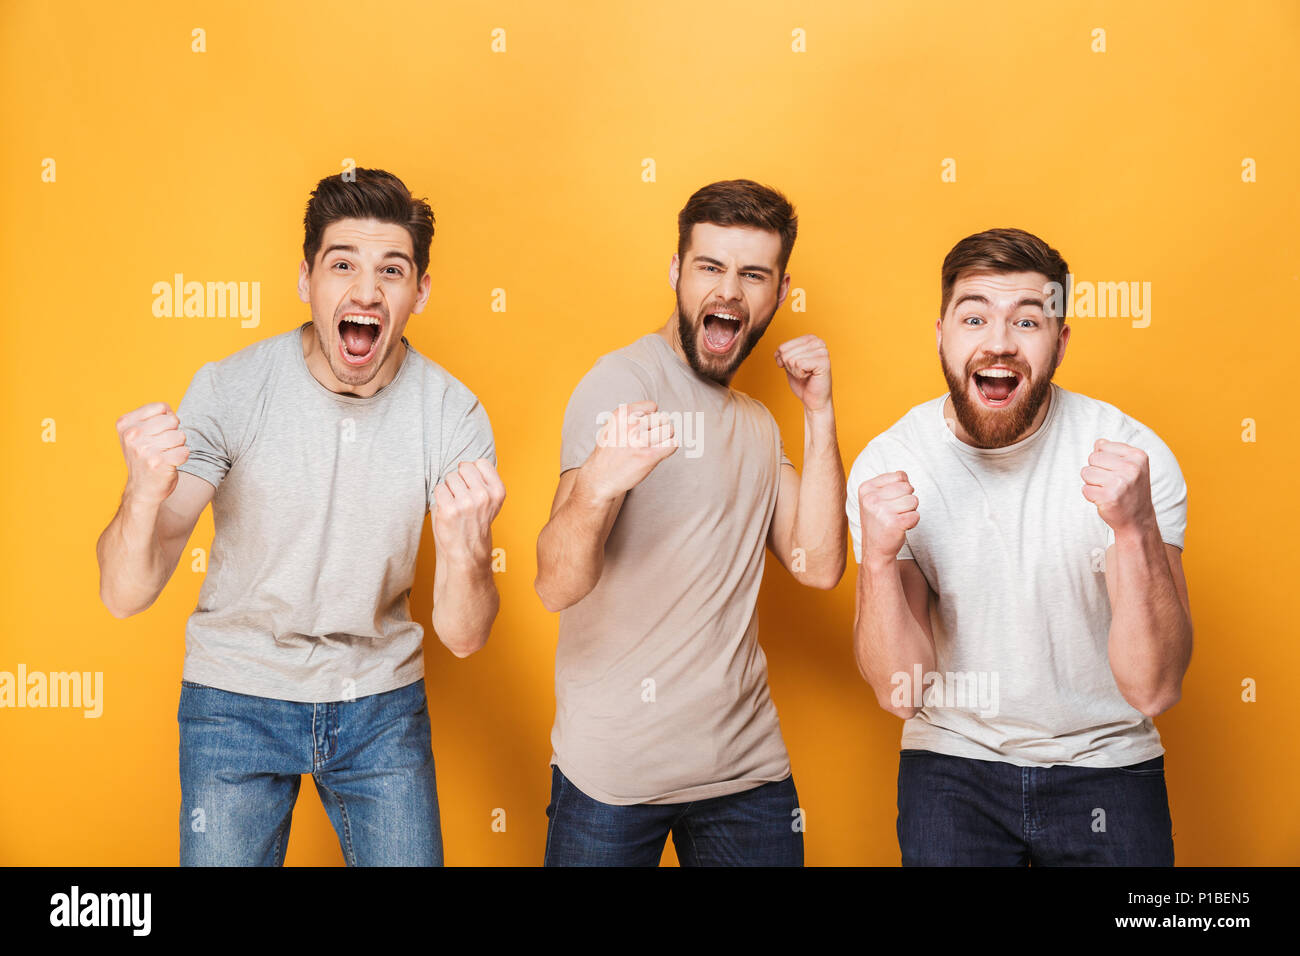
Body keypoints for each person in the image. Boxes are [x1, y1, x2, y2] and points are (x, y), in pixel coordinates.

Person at [95, 168, 505, 866]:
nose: (366, 291)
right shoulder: (230, 387)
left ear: (421, 292)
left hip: (380, 706)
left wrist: (468, 551)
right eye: (342, 264)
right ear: (306, 279)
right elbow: (124, 594)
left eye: (392, 270)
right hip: (235, 698)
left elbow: (465, 639)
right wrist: (140, 495)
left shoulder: (452, 414)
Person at [847, 227, 1192, 866]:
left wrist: (1136, 529)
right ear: (942, 334)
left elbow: (1153, 687)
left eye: (1026, 321)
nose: (999, 342)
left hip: (1106, 763)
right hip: (953, 766)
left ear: (1060, 342)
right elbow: (900, 691)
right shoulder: (890, 465)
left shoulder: (1127, 456)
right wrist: (874, 559)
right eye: (974, 316)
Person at [535, 179, 846, 866]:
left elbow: (818, 565)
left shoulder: (760, 426)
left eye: (752, 274)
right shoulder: (621, 385)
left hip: (747, 776)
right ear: (677, 272)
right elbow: (555, 584)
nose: (729, 291)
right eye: (710, 267)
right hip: (612, 779)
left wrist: (819, 412)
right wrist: (597, 486)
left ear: (779, 293)